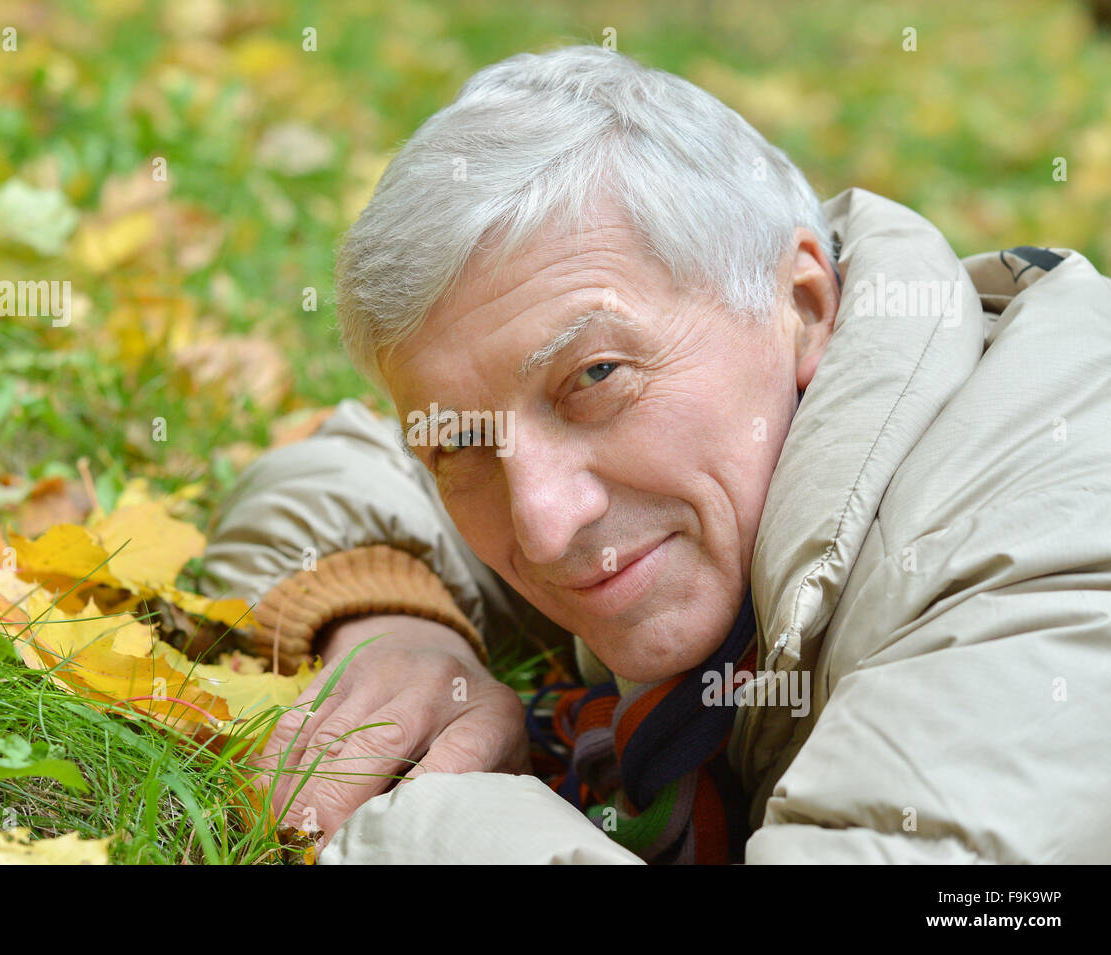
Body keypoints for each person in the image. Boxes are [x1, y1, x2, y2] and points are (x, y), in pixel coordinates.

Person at [202, 45, 1111, 863]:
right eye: (460, 444)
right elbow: (331, 475)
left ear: (801, 306)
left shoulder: (1039, 528)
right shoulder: (801, 415)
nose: (547, 522)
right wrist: (396, 629)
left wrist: (436, 827)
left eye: (594, 376)